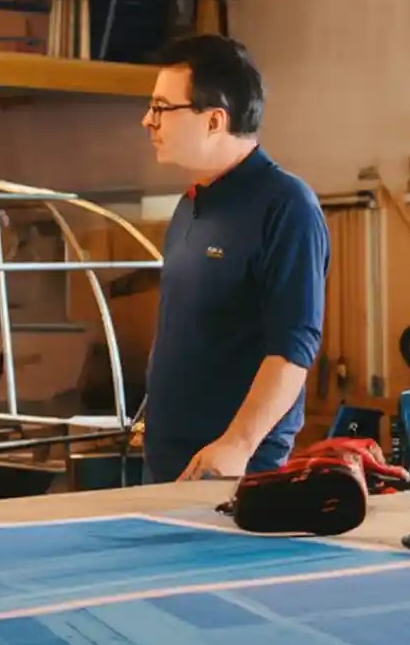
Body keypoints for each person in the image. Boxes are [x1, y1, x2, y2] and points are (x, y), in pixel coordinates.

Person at [136, 33, 330, 484]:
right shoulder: (191, 205)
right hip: (166, 460)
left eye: (162, 108)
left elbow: (293, 347)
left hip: (230, 468)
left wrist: (239, 444)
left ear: (214, 120)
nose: (148, 121)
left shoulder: (286, 205)